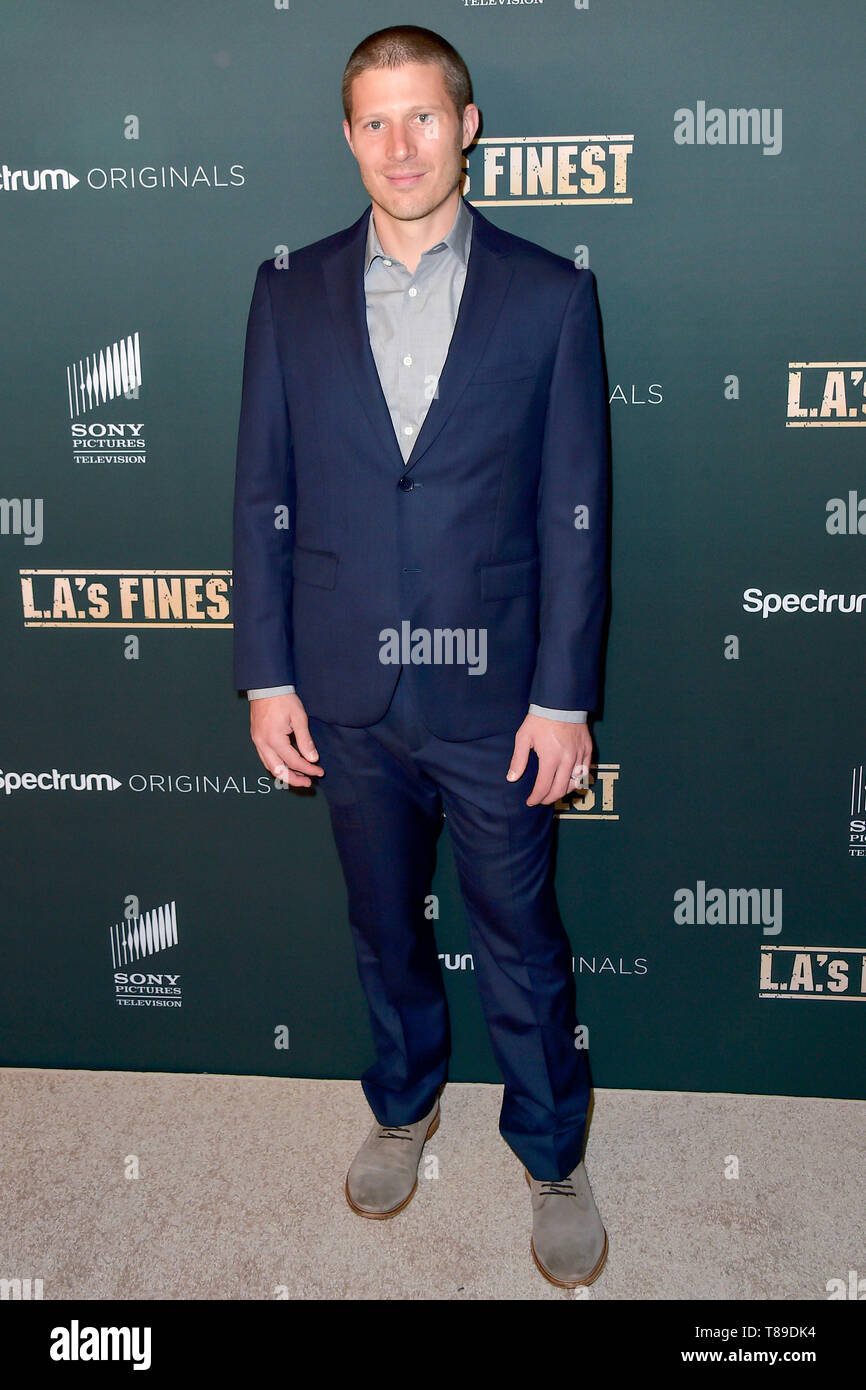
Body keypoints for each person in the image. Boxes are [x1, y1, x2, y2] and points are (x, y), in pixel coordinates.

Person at [233, 24, 611, 1289]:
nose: (399, 146)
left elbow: (575, 507)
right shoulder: (284, 290)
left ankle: (552, 1150)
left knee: (520, 935)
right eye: (373, 122)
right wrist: (266, 673)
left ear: (467, 126)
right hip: (341, 690)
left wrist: (564, 696)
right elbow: (260, 494)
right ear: (348, 137)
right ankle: (402, 1105)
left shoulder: (551, 294)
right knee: (381, 924)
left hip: (496, 696)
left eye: (422, 117)